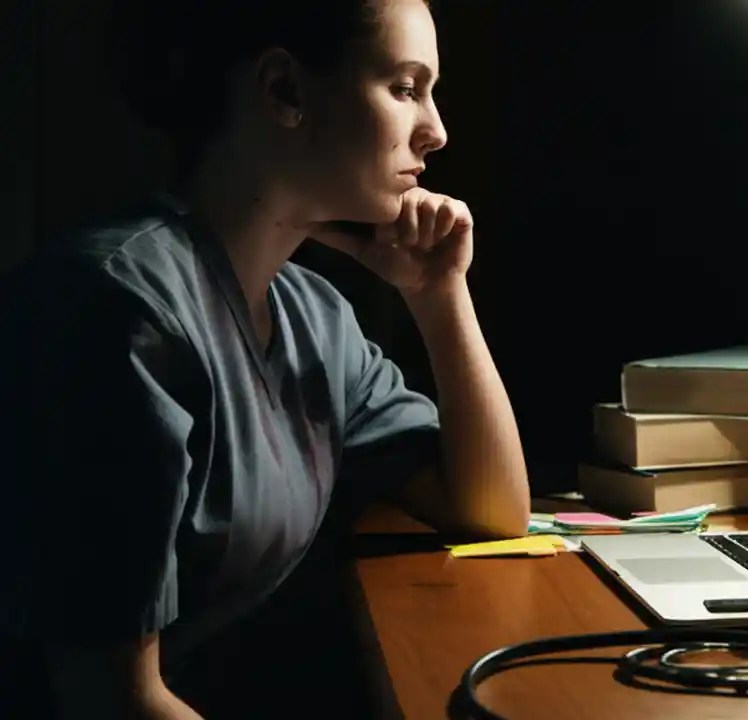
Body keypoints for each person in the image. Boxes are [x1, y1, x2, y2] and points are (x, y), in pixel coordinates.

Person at [0, 0, 530, 716]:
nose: (436, 132)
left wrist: (440, 296)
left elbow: (491, 510)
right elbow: (108, 699)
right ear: (285, 91)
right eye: (405, 88)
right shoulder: (118, 310)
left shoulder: (313, 317)